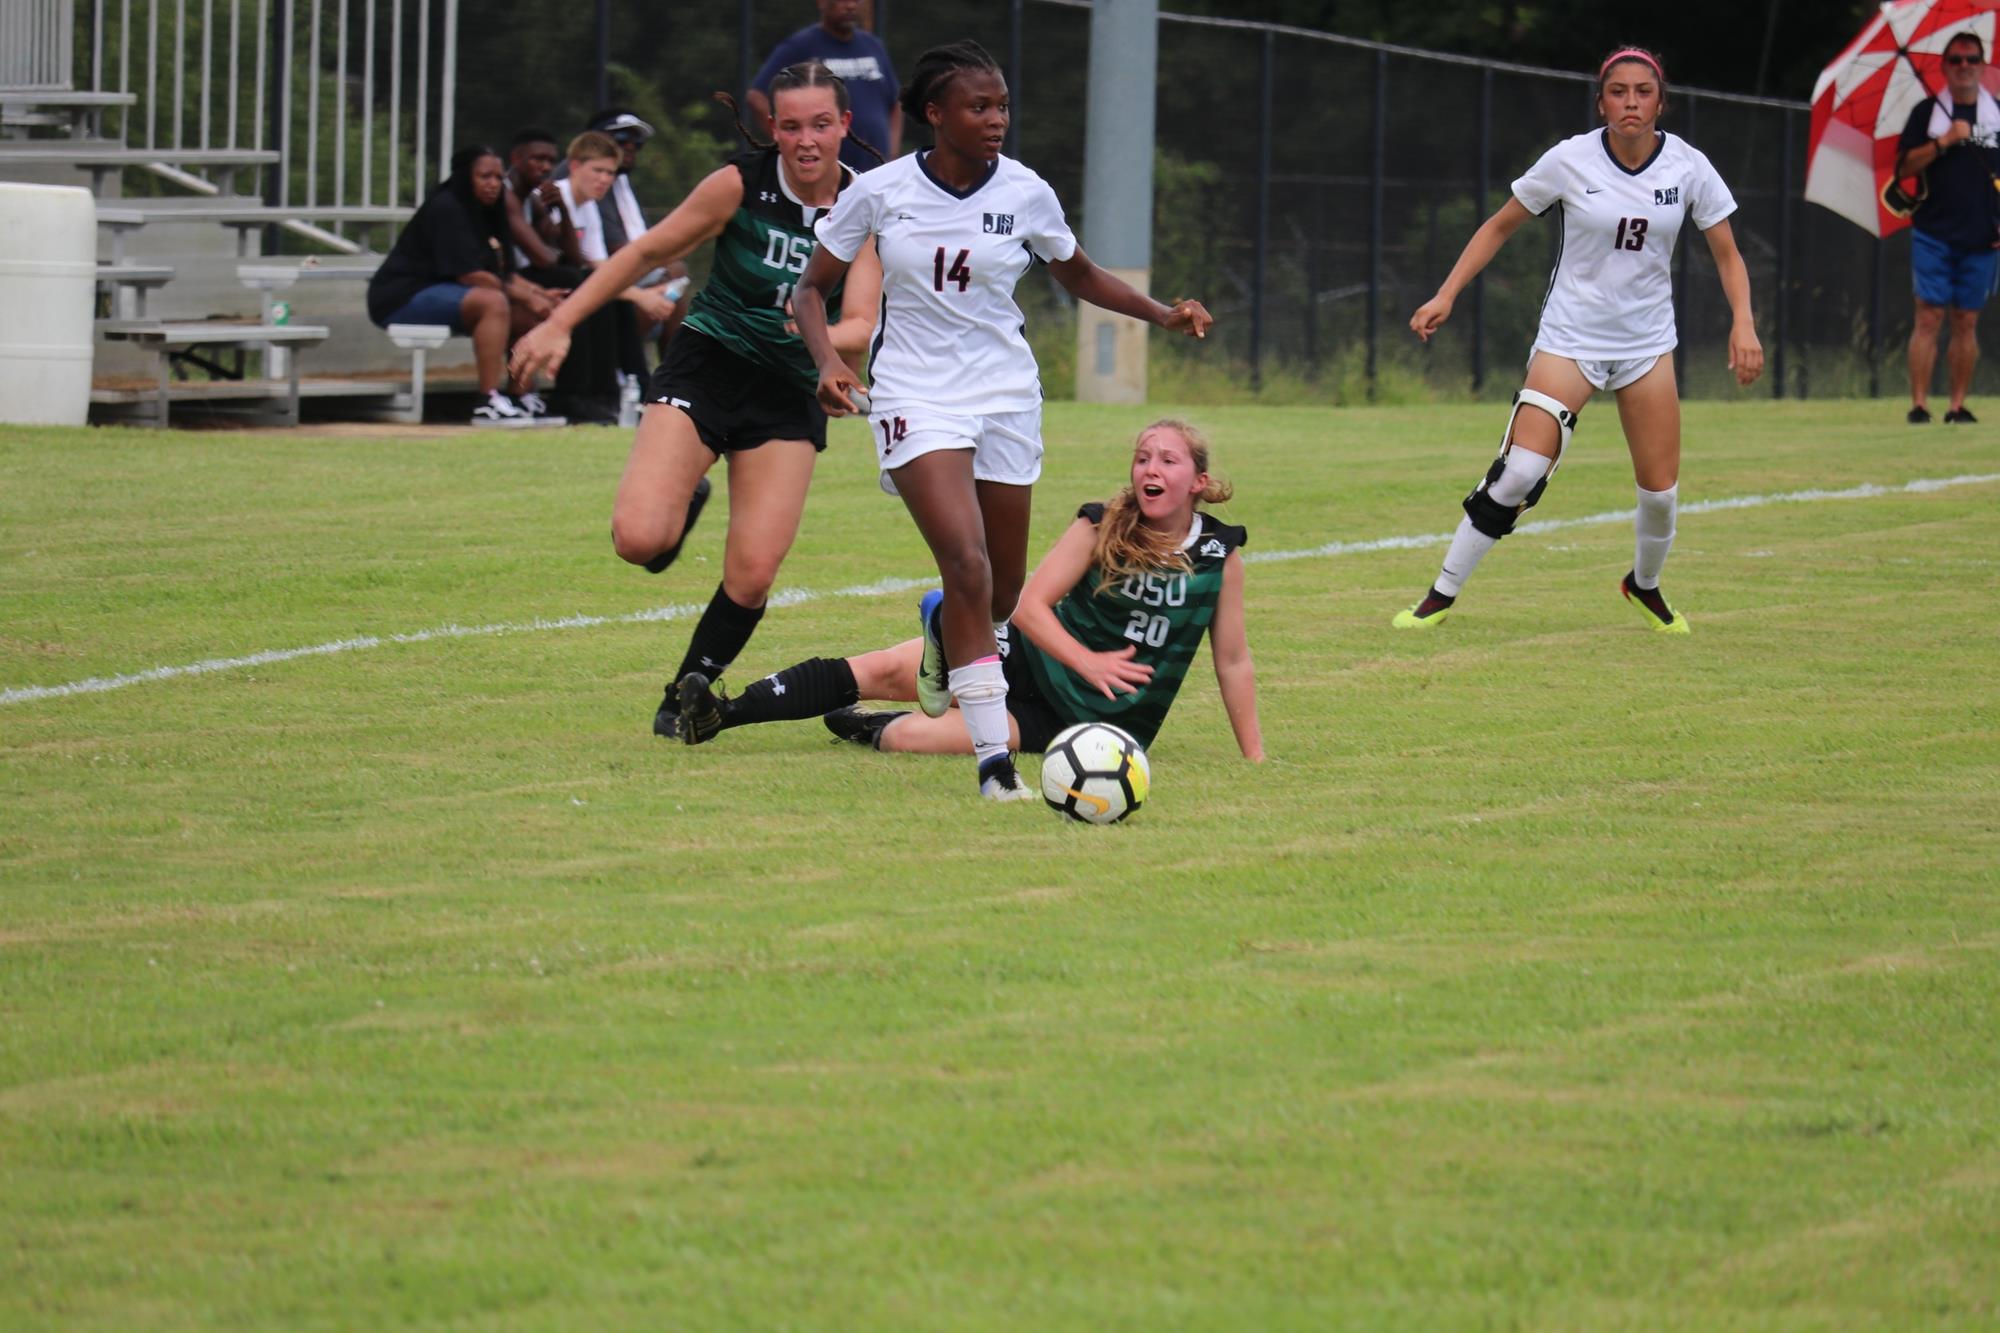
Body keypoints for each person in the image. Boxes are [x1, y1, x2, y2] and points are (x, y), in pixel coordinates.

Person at [792, 39, 1213, 801]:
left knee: (1001, 591)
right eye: (978, 107)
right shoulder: (881, 191)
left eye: (1003, 106)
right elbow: (809, 290)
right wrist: (827, 362)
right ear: (934, 114)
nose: (996, 120)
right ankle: (994, 767)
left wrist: (1161, 312)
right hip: (916, 394)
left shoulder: (1025, 191)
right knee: (968, 563)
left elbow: (1077, 271)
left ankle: (942, 633)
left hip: (1006, 394)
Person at [509, 62, 884, 736]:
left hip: (787, 391)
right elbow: (644, 252)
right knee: (638, 539)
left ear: (845, 127)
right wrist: (558, 321)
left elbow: (862, 319)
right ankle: (684, 504)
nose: (805, 140)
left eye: (821, 125)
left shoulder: (865, 204)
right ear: (773, 127)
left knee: (754, 571)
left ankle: (687, 691)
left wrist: (822, 348)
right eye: (791, 125)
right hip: (708, 365)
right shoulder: (739, 184)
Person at [1393, 46, 1762, 636]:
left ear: (1660, 102)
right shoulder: (1571, 159)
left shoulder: (1689, 167)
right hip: (1570, 340)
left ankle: (1643, 585)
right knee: (1519, 473)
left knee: (1661, 495)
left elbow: (1728, 253)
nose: (1631, 102)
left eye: (1643, 91)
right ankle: (1439, 595)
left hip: (1645, 348)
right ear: (1602, 102)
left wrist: (1743, 322)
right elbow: (1500, 225)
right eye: (1619, 91)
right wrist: (1446, 294)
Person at [674, 420, 1264, 769]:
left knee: (908, 737)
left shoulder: (1219, 555)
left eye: (1167, 459)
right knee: (880, 667)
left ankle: (869, 719)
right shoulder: (1101, 524)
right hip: (1028, 659)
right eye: (1141, 458)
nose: (1148, 468)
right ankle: (721, 713)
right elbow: (1028, 606)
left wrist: (1254, 759)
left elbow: (1232, 661)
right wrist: (1085, 659)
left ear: (1199, 482)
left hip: (1077, 723)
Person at [366, 144, 565, 424]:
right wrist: (527, 295)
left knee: (526, 312)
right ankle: (487, 399)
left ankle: (521, 396)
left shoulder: (489, 211)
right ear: (465, 177)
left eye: (498, 177)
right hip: (402, 297)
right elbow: (469, 275)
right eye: (485, 177)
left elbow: (501, 272)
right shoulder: (448, 206)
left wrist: (540, 294)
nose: (493, 184)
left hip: (448, 293)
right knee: (492, 302)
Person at [1896, 30, 2000, 425]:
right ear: (1943, 67)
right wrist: (1943, 142)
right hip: (1933, 232)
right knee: (1928, 316)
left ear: (1982, 65)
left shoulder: (1997, 114)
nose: (1964, 67)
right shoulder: (1927, 113)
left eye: (1971, 59)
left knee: (1966, 319)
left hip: (1984, 236)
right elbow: (1903, 167)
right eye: (1956, 60)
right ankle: (1919, 405)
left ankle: (1957, 406)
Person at [504, 127, 621, 423]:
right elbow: (545, 259)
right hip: (506, 282)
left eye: (549, 160)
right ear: (516, 159)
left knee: (589, 286)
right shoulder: (510, 197)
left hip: (529, 278)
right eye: (537, 160)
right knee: (577, 285)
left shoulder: (537, 198)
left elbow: (567, 255)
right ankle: (571, 394)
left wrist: (563, 212)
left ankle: (604, 393)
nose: (544, 167)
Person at [748, 0, 900, 173]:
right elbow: (757, 97)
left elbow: (895, 102)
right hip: (824, 175)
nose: (850, 6)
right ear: (821, 3)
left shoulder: (872, 45)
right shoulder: (801, 46)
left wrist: (892, 153)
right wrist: (787, 142)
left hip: (876, 171)